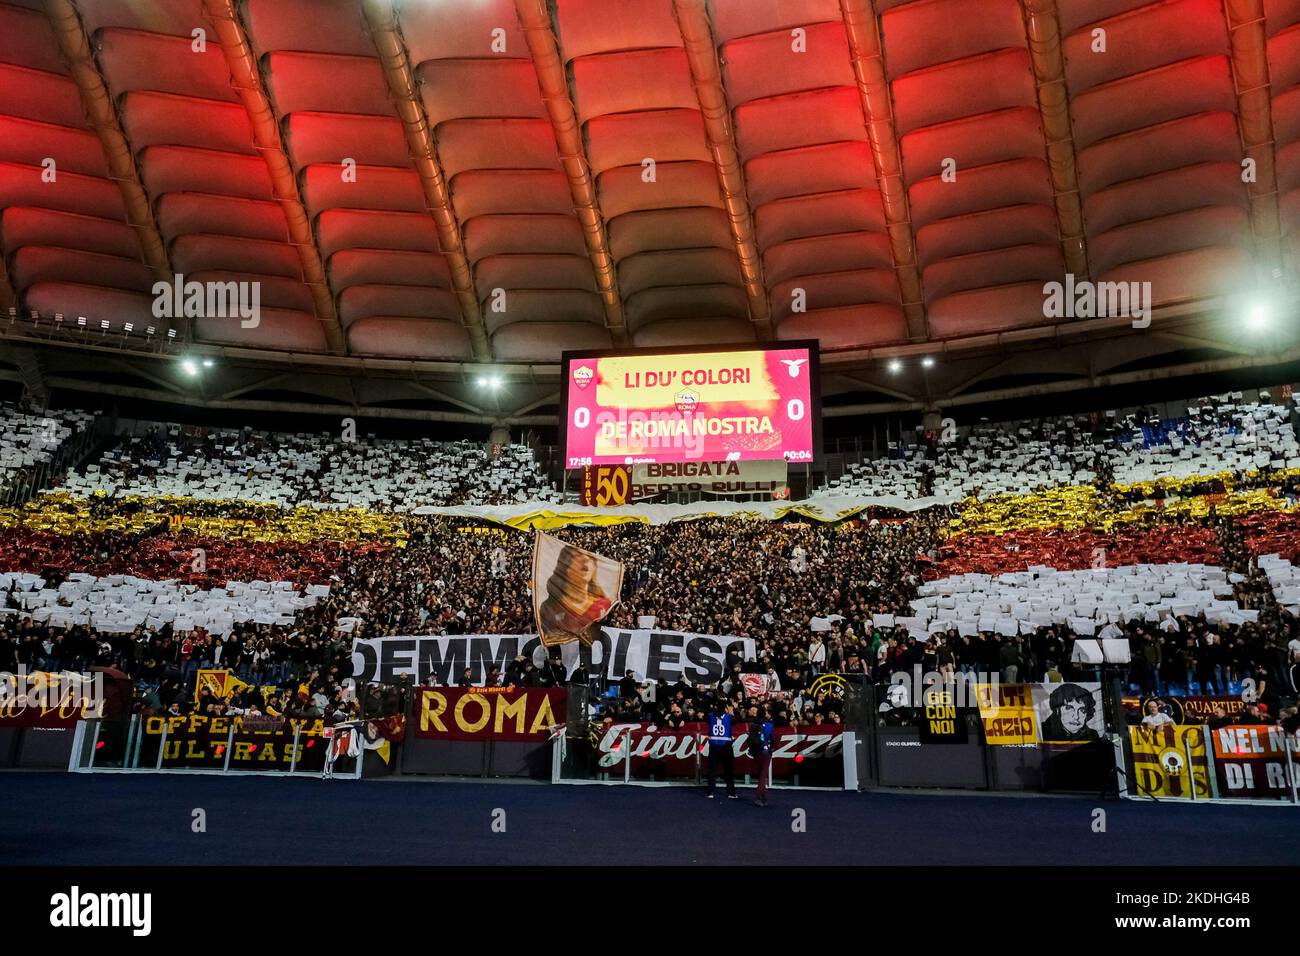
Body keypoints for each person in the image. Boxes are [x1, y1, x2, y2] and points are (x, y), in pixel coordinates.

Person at [706, 700, 737, 799]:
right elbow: (738, 720)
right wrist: (730, 711)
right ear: (725, 708)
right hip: (726, 747)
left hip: (714, 746)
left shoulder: (710, 716)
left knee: (712, 770)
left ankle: (710, 792)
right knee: (728, 771)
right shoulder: (730, 717)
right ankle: (731, 792)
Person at [748, 704, 775, 807]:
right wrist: (771, 749)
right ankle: (758, 797)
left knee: (760, 775)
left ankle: (764, 797)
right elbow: (772, 739)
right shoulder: (769, 725)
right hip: (765, 752)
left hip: (756, 752)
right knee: (763, 775)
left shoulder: (752, 725)